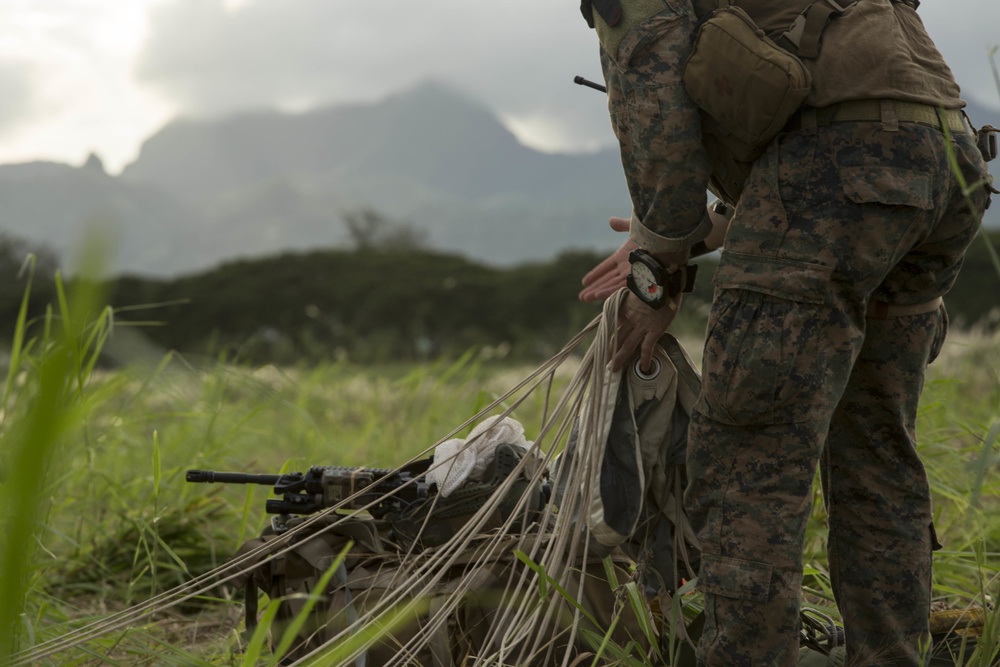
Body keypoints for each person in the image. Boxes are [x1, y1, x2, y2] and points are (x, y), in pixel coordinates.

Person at [577, 0, 994, 665]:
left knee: (749, 461)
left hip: (836, 168)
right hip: (945, 161)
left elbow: (652, 87)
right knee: (878, 455)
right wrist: (715, 223)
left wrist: (657, 262)